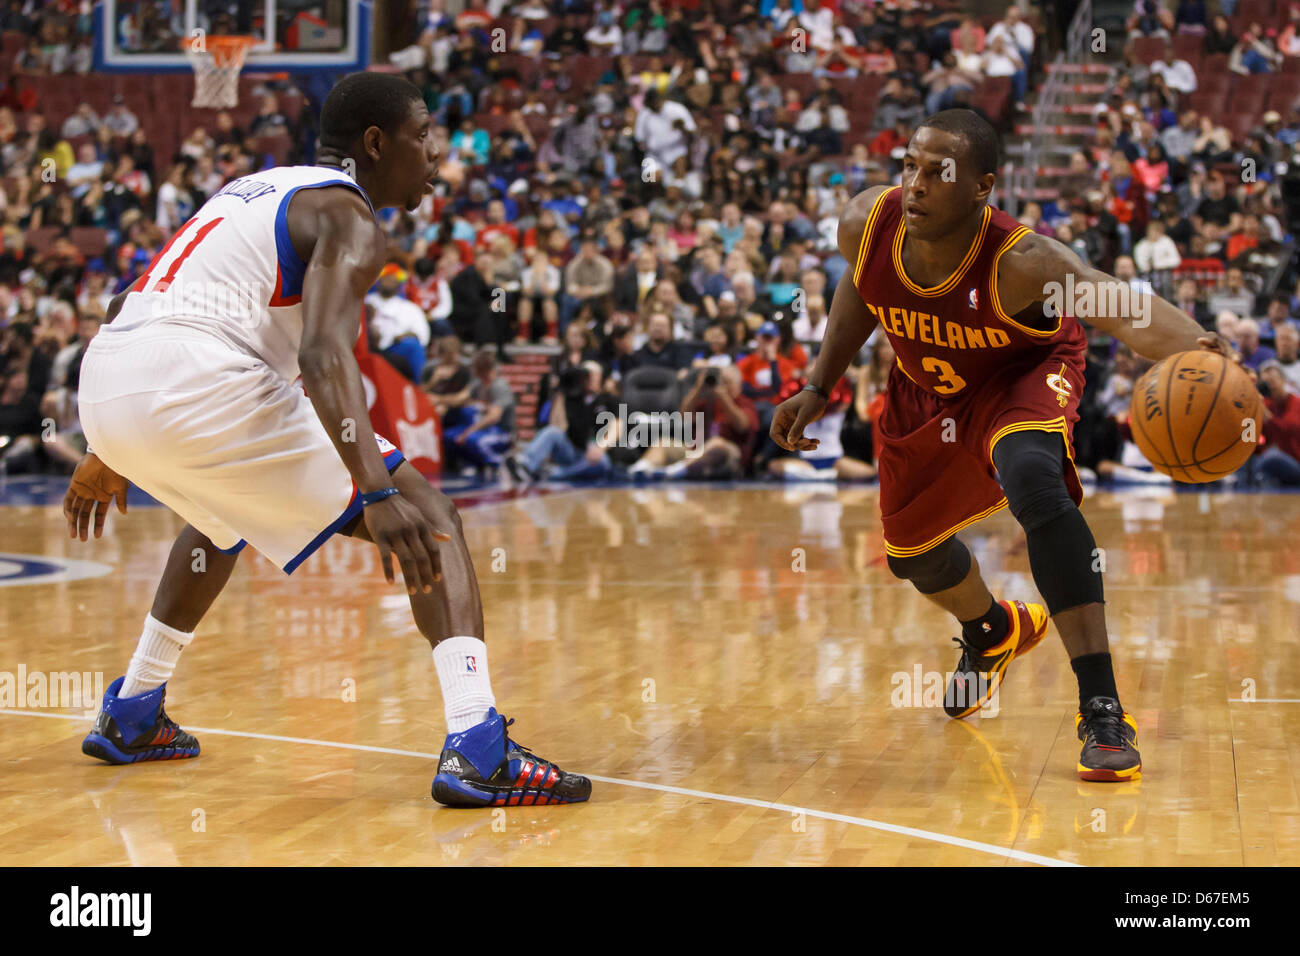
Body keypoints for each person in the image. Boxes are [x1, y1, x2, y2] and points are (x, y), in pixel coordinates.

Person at [63, 73, 589, 808]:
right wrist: (375, 492)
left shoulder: (257, 187)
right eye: (423, 137)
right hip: (193, 382)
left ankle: (133, 711)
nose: (436, 157)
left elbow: (136, 299)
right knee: (432, 519)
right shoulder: (351, 217)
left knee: (218, 521)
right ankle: (479, 748)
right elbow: (321, 354)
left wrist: (107, 445)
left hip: (110, 373)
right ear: (376, 143)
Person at [770, 109, 1233, 782]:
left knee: (1035, 483)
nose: (917, 185)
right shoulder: (866, 224)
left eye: (939, 172)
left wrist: (1203, 350)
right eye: (911, 167)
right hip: (927, 386)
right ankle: (992, 632)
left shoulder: (1026, 262)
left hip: (1023, 374)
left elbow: (1120, 307)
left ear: (983, 186)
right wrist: (819, 383)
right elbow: (864, 287)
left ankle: (1101, 707)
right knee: (912, 558)